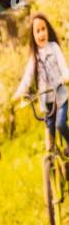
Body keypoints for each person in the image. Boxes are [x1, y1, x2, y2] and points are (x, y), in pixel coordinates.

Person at [14, 12, 69, 164]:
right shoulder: (34, 57)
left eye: (43, 29)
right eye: (37, 31)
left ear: (48, 30)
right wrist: (19, 94)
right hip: (46, 102)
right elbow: (27, 77)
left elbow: (63, 66)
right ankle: (53, 168)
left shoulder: (54, 47)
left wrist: (66, 76)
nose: (41, 33)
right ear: (33, 36)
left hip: (60, 96)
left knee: (60, 124)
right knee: (49, 133)